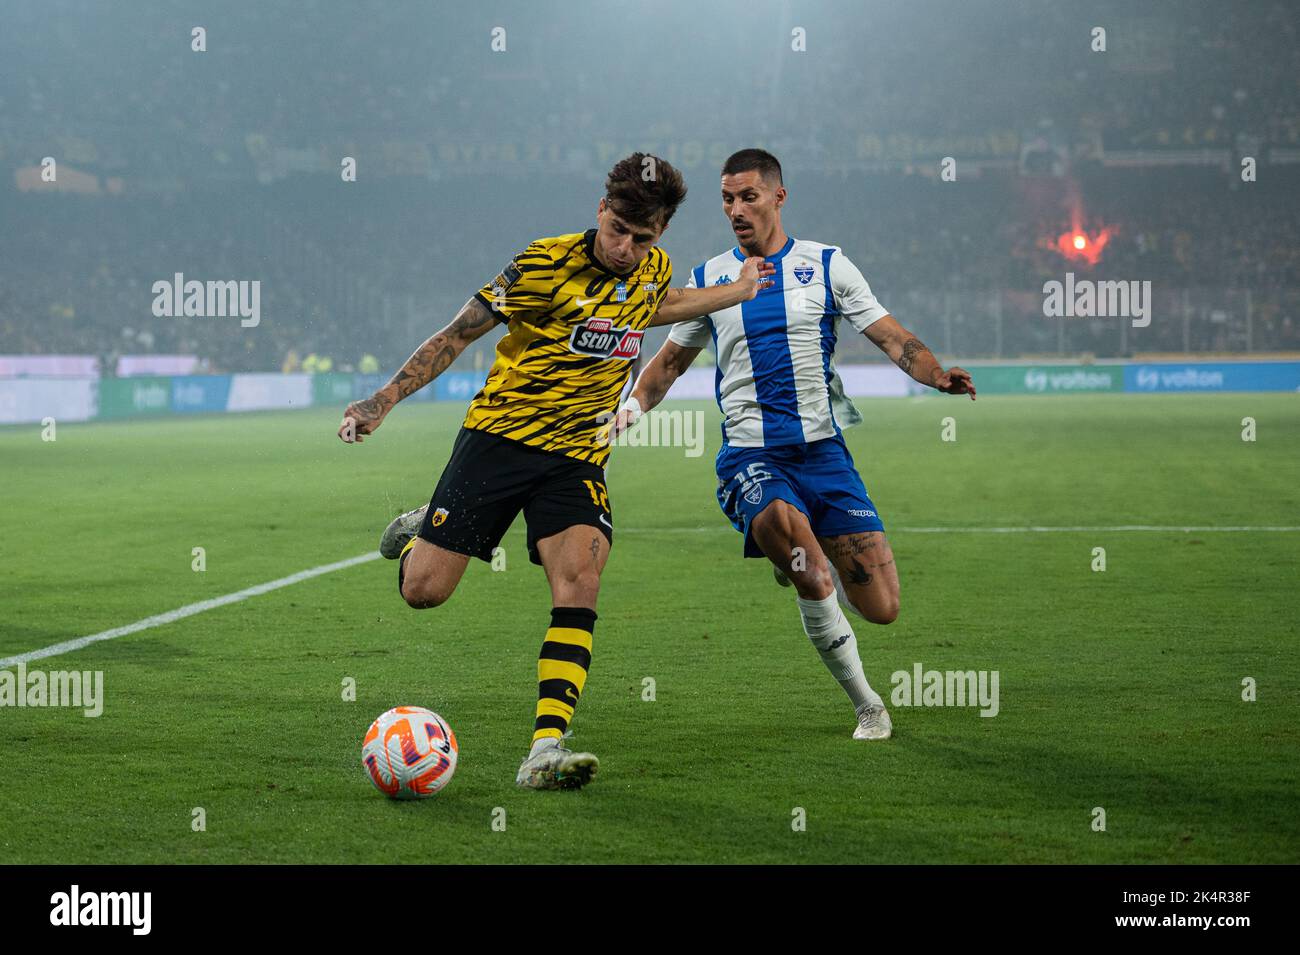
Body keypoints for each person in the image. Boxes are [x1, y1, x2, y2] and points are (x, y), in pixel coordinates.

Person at [337, 153, 773, 789]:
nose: (625, 248)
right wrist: (382, 400)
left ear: (661, 235)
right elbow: (458, 334)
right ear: (601, 210)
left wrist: (734, 292)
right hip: (499, 440)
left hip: (577, 458)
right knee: (423, 592)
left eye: (641, 237)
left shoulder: (653, 268)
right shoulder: (542, 263)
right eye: (617, 230)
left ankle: (545, 747)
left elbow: (654, 304)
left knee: (581, 581)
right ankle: (425, 526)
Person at [615, 149, 976, 741]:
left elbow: (891, 336)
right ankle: (868, 706)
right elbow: (667, 365)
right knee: (804, 558)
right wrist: (629, 409)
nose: (736, 209)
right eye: (727, 199)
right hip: (752, 458)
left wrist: (935, 374)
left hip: (824, 455)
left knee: (881, 608)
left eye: (748, 197)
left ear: (779, 197)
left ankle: (796, 549)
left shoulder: (829, 265)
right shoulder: (709, 281)